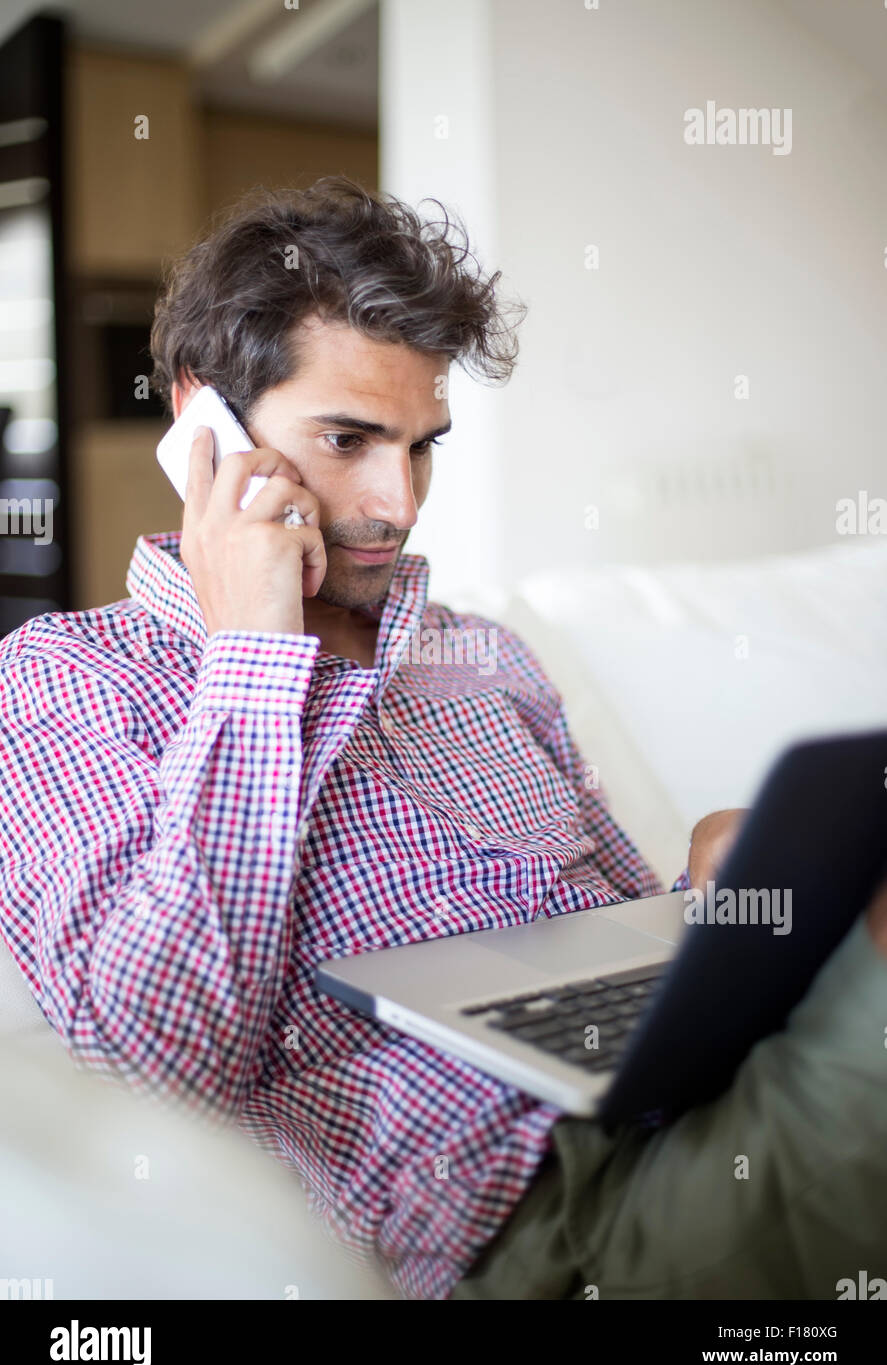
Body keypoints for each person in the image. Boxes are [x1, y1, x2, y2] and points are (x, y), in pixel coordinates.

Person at [1, 176, 879, 1302]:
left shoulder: (482, 656)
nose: (397, 500)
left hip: (684, 1092)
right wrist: (256, 658)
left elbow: (613, 938)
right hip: (531, 1219)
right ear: (201, 424)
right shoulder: (67, 681)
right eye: (348, 437)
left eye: (422, 447)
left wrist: (718, 892)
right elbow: (152, 1071)